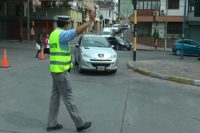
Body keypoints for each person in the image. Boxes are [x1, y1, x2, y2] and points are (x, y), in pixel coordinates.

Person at [46, 10, 96, 132]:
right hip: (61, 72)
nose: (69, 25)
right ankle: (79, 124)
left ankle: (51, 123)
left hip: (54, 71)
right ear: (66, 24)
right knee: (68, 98)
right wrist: (90, 21)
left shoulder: (53, 34)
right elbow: (77, 31)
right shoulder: (62, 35)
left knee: (55, 97)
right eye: (68, 23)